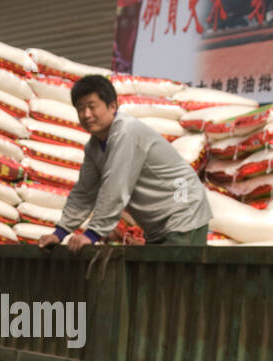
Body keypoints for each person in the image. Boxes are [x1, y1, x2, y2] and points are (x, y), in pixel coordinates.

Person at [38, 74, 211, 252]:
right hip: (160, 223)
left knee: (175, 276)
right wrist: (59, 233)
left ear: (112, 106)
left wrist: (92, 235)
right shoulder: (94, 147)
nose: (86, 115)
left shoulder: (125, 133)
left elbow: (115, 186)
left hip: (183, 207)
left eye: (92, 107)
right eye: (80, 108)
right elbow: (84, 192)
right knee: (160, 276)